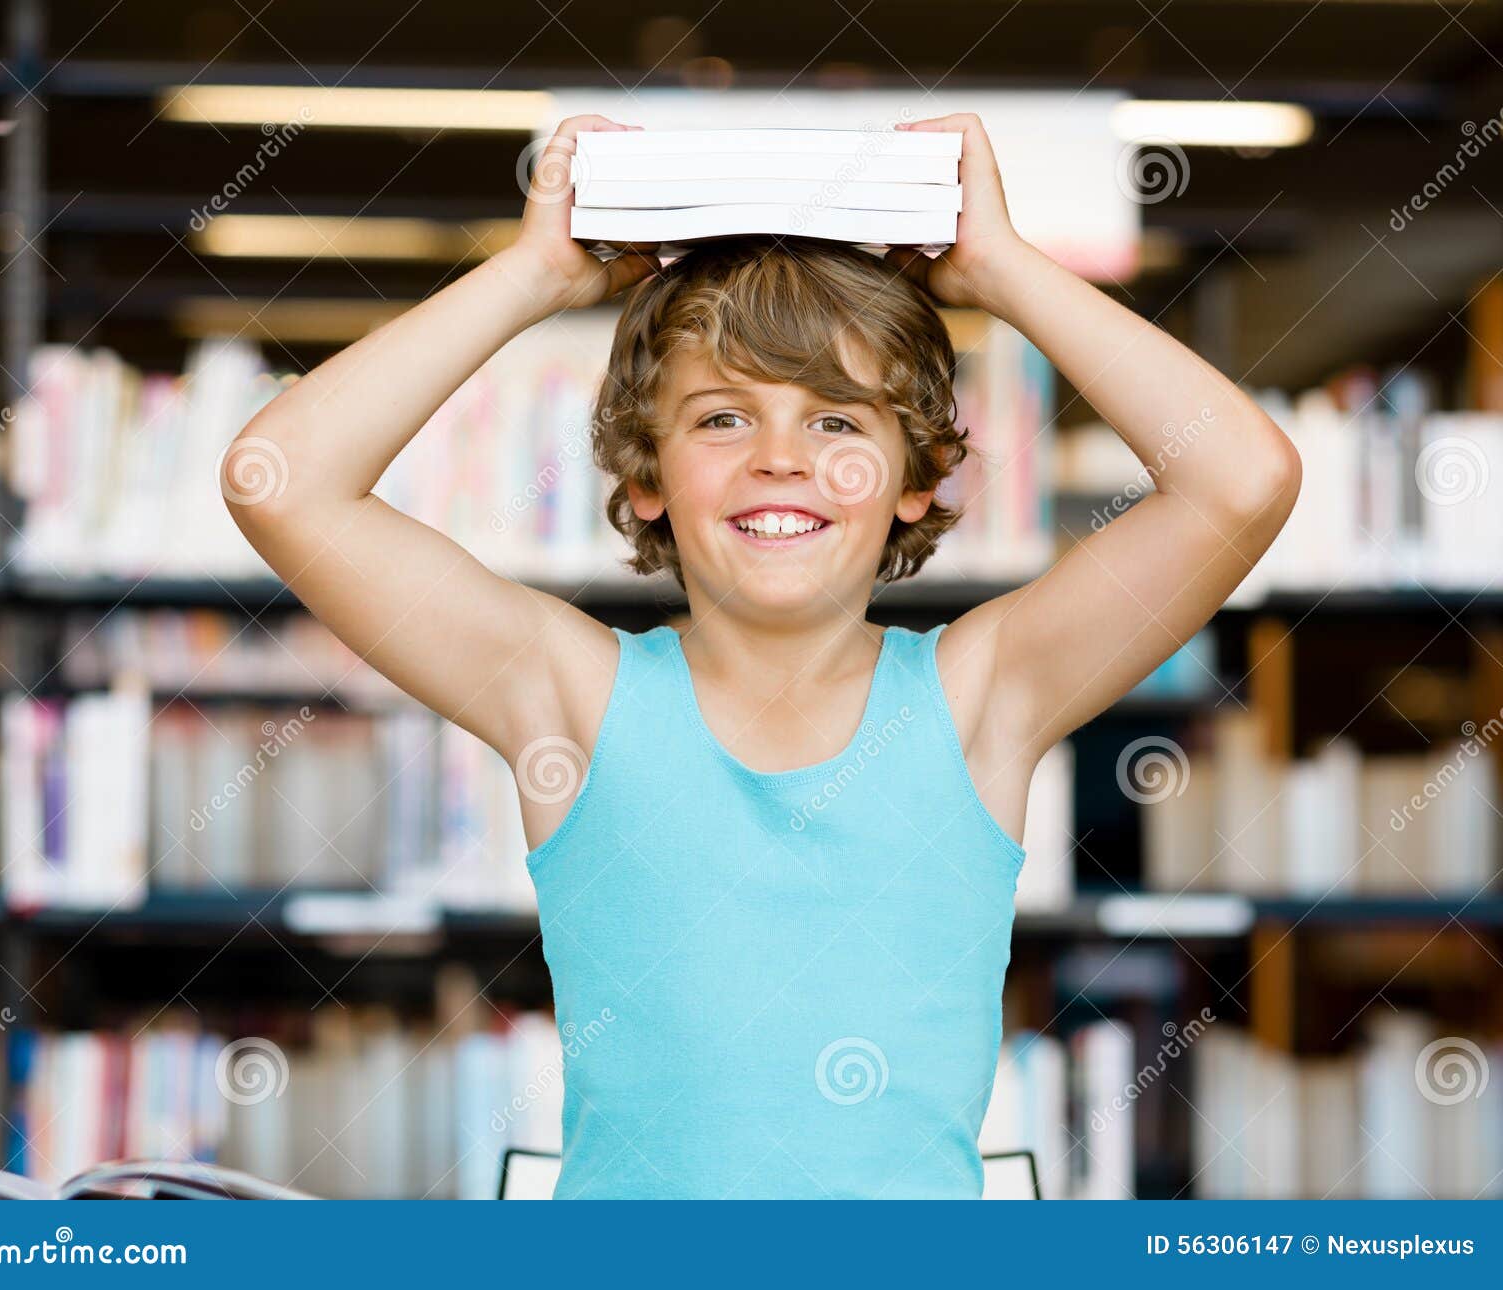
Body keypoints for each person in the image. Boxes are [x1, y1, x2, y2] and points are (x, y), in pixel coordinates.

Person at [224, 112, 1301, 1198]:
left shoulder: (981, 698)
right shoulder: (571, 694)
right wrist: (530, 276)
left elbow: (1240, 480)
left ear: (917, 478)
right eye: (721, 421)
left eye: (838, 424)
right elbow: (279, 480)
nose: (781, 459)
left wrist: (1007, 271)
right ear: (644, 475)